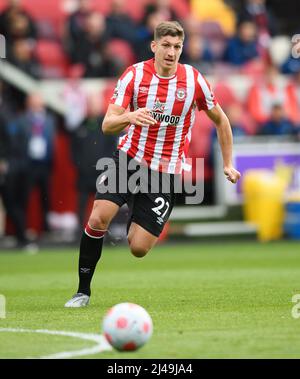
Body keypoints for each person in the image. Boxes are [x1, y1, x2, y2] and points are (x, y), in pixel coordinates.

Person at [64, 21, 241, 307]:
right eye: (167, 46)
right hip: (129, 160)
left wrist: (228, 163)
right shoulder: (134, 75)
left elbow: (222, 120)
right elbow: (108, 124)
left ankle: (136, 210)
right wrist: (129, 117)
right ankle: (82, 291)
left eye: (178, 47)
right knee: (98, 217)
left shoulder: (193, 80)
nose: (172, 52)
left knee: (138, 248)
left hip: (166, 172)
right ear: (154, 46)